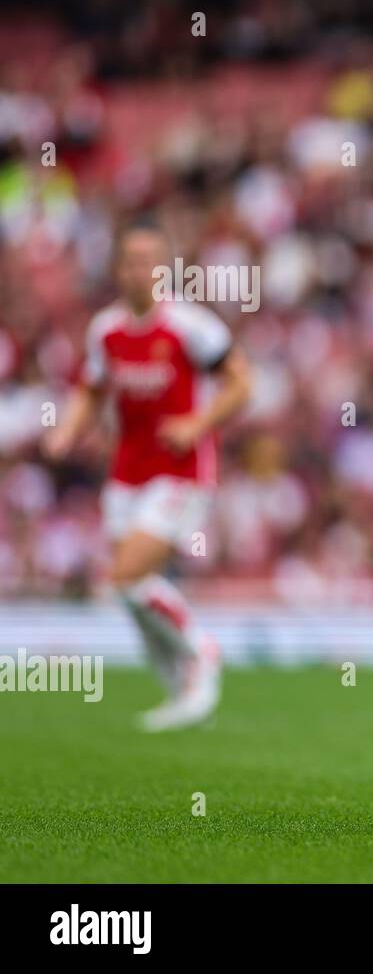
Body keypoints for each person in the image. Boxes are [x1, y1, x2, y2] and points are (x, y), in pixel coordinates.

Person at [44, 219, 252, 731]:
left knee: (125, 576)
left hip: (180, 471)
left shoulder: (190, 326)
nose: (139, 271)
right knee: (127, 591)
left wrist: (198, 424)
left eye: (148, 261)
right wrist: (67, 430)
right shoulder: (106, 330)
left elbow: (241, 384)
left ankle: (201, 649)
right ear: (118, 268)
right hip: (126, 472)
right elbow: (90, 390)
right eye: (130, 261)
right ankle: (180, 688)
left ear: (165, 268)